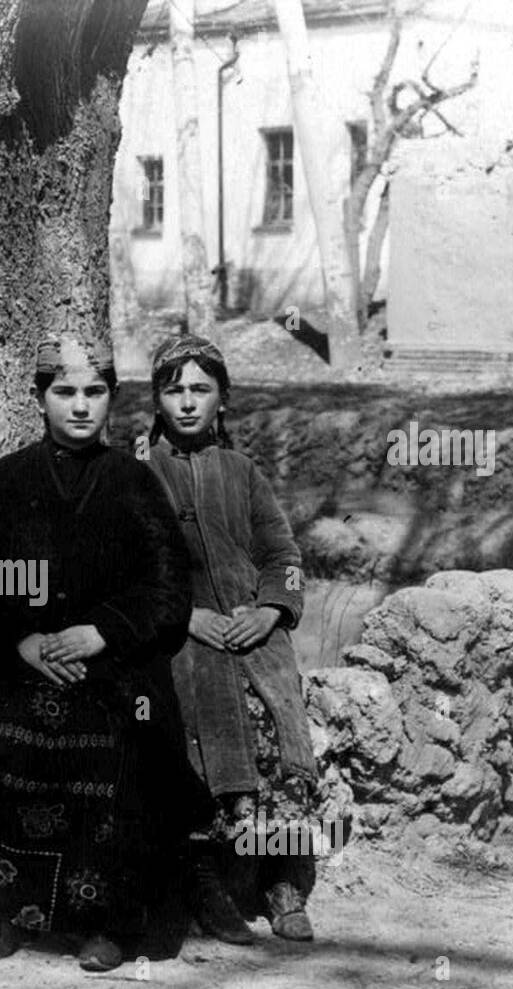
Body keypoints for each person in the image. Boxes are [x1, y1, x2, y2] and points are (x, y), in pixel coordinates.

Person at [0, 334, 195, 972]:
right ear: (39, 400)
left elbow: (169, 589)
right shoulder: (8, 481)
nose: (81, 406)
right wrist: (22, 641)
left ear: (111, 398)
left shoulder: (134, 485)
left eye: (94, 392)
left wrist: (103, 632)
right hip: (15, 652)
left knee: (134, 727)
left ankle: (110, 921)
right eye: (64, 392)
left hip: (109, 657)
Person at [145, 334, 319, 944]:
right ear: (158, 401)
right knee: (199, 728)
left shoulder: (245, 473)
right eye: (174, 391)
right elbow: (129, 569)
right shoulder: (141, 476)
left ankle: (281, 880)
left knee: (275, 723)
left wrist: (270, 611)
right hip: (183, 638)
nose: (188, 403)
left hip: (255, 635)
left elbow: (284, 556)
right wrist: (186, 617)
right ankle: (208, 883)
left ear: (222, 397)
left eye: (201, 389)